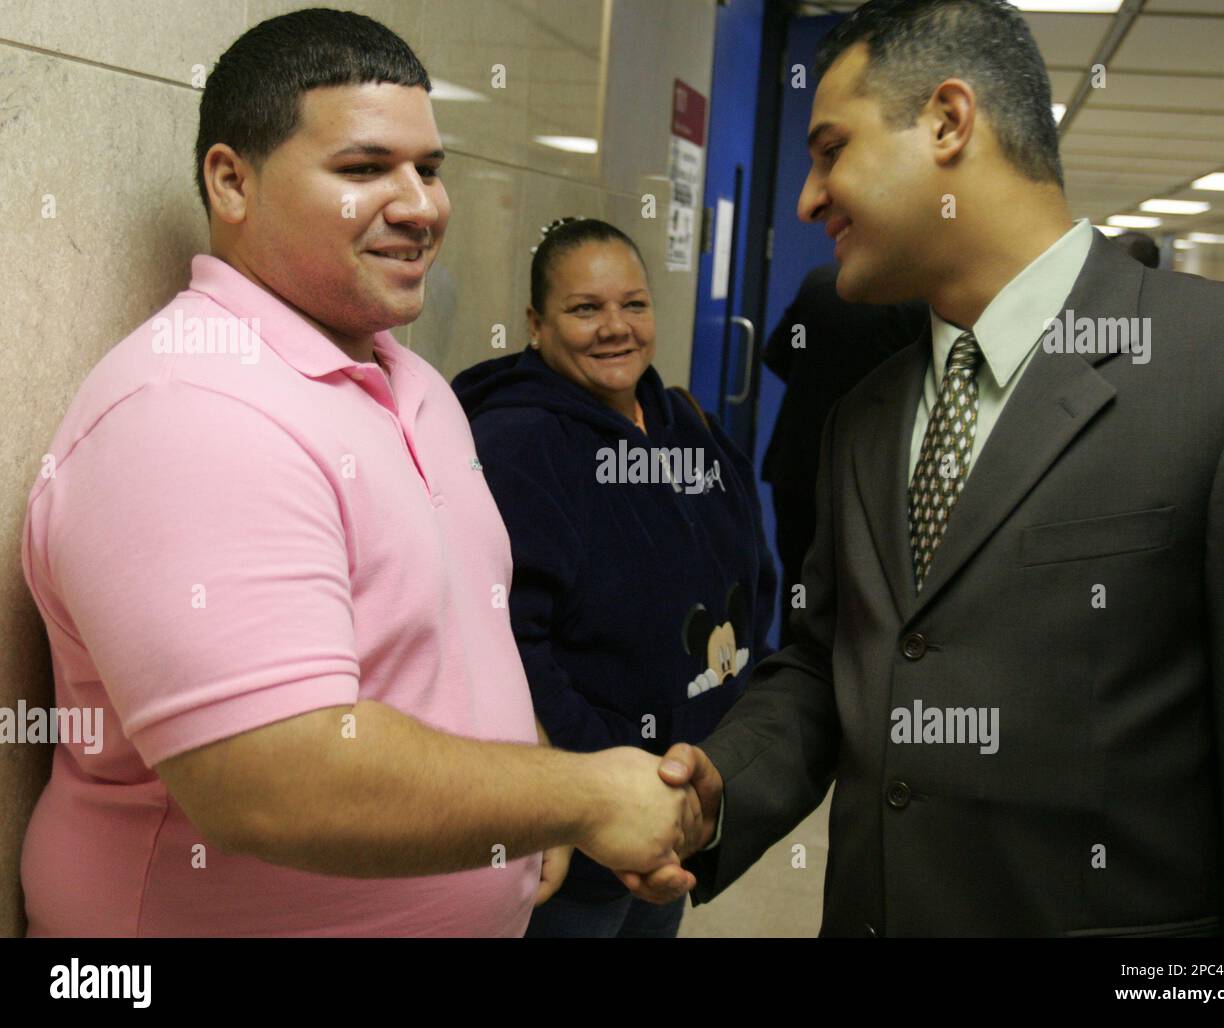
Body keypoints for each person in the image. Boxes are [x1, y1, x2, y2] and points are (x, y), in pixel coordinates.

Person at [19, 9, 700, 938]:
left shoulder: (410, 381)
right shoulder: (190, 410)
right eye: (365, 168)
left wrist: (530, 768)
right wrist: (579, 796)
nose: (422, 204)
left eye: (430, 167)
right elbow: (272, 778)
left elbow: (456, 639)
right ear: (232, 181)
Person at [633, 0, 1224, 937]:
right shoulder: (863, 415)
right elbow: (831, 663)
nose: (808, 198)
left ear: (949, 121)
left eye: (831, 150)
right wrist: (718, 789)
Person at [452, 217, 776, 937]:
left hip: (680, 802)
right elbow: (513, 645)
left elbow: (753, 573)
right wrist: (602, 787)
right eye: (585, 309)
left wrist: (708, 768)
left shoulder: (682, 417)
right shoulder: (517, 446)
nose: (614, 328)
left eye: (633, 304)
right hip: (587, 819)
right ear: (536, 324)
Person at [761, 265, 926, 644]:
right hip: (874, 477)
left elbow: (776, 355)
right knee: (865, 601)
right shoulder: (923, 301)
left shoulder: (820, 282)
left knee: (798, 589)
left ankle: (790, 688)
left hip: (799, 465)